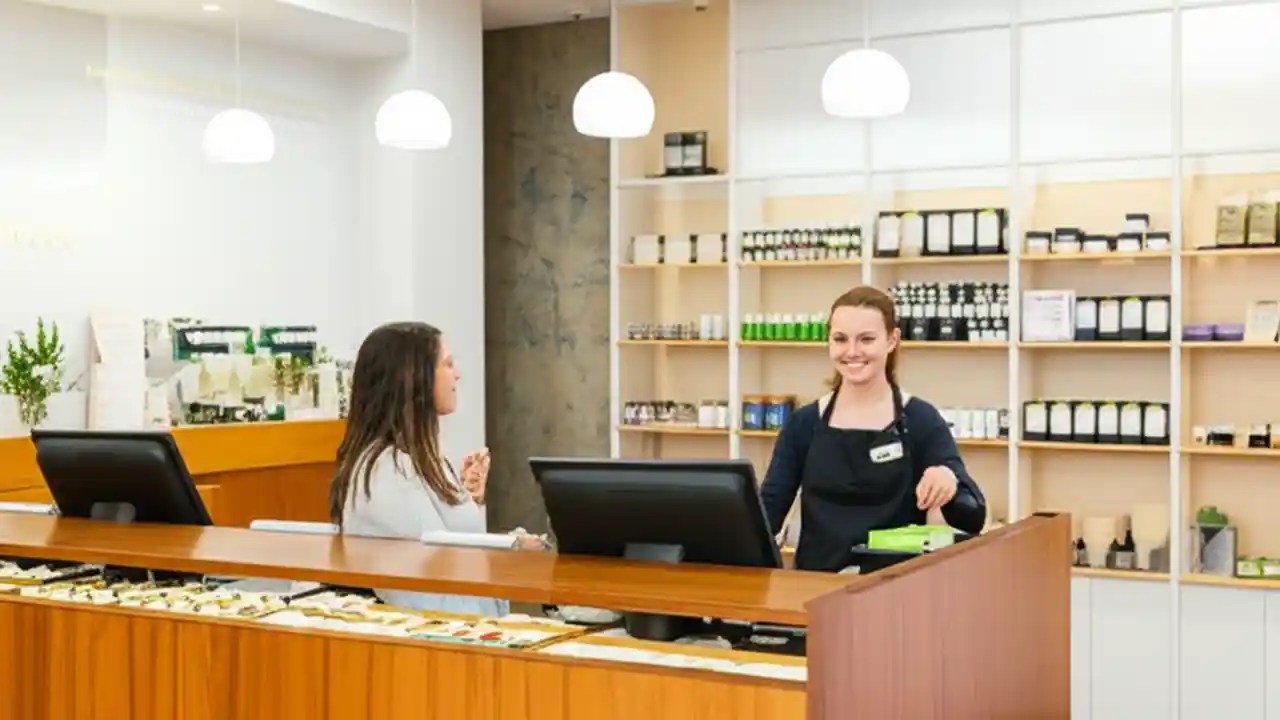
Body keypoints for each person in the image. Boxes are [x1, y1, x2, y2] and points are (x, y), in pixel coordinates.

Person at [760, 286, 987, 573]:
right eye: (840, 339)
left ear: (892, 340)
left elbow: (973, 516)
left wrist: (949, 482)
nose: (852, 352)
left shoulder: (920, 420)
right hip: (817, 590)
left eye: (866, 339)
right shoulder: (804, 424)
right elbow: (767, 512)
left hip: (897, 594)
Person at [329, 321, 539, 616]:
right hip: (444, 636)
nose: (458, 374)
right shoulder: (388, 469)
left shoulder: (421, 459)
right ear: (414, 378)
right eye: (448, 364)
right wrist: (511, 547)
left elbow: (448, 545)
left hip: (468, 623)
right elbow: (437, 564)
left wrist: (468, 499)